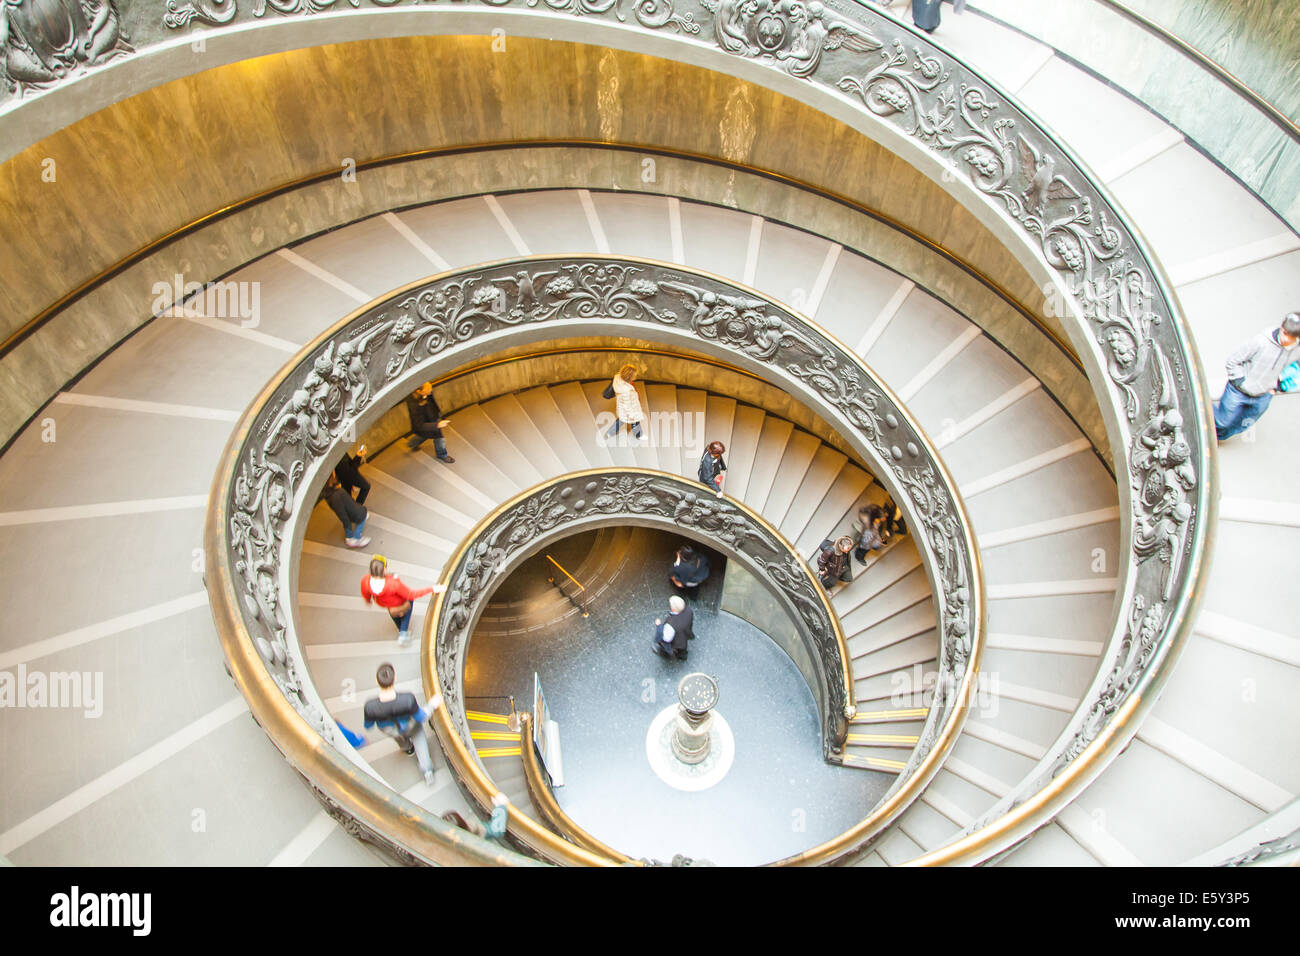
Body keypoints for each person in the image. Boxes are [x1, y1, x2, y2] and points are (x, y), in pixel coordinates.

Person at [1213, 313, 1300, 441]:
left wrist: (1278, 386)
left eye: (1292, 337)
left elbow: (1295, 368)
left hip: (1263, 395)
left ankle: (1218, 437)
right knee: (1222, 422)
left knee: (1243, 425)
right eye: (1285, 333)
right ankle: (1207, 410)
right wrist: (1240, 382)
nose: (1287, 339)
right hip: (1239, 391)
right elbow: (1233, 361)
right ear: (1281, 328)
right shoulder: (1260, 342)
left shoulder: (1296, 351)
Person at [363, 662, 439, 786]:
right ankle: (427, 772)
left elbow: (368, 726)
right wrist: (432, 705)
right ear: (395, 679)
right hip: (410, 725)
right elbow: (421, 717)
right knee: (420, 743)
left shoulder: (370, 706)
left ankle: (407, 748)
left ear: (377, 681)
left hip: (389, 729)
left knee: (399, 738)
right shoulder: (407, 699)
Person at [360, 554, 444, 645]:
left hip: (386, 604)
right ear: (384, 570)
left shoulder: (365, 581)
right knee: (409, 604)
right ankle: (403, 634)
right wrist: (433, 589)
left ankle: (400, 629)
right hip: (399, 602)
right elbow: (411, 594)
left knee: (393, 613)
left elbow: (366, 594)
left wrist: (368, 600)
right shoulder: (393, 584)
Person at [406, 382, 455, 463]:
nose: (431, 390)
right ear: (419, 391)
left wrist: (439, 414)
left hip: (433, 418)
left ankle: (412, 443)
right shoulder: (414, 406)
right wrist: (437, 425)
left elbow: (433, 403)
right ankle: (442, 455)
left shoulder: (427, 394)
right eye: (428, 389)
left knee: (423, 436)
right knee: (438, 438)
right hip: (429, 424)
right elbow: (419, 425)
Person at [322, 472, 371, 548]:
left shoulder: (332, 494)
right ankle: (356, 537)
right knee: (363, 517)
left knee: (363, 514)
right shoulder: (336, 495)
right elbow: (342, 514)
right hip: (355, 513)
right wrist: (347, 525)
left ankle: (351, 537)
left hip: (353, 510)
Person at [606, 364, 645, 441]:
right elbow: (627, 406)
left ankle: (610, 433)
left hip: (622, 409)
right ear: (629, 377)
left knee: (620, 421)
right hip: (629, 410)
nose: (636, 377)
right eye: (634, 375)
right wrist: (632, 415)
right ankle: (638, 435)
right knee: (635, 421)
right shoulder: (626, 391)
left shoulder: (618, 377)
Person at [652, 595, 694, 660]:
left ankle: (665, 653)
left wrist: (659, 625)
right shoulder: (689, 611)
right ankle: (683, 656)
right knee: (682, 649)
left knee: (665, 644)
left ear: (673, 608)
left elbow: (666, 638)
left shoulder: (671, 624)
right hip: (684, 636)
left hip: (676, 642)